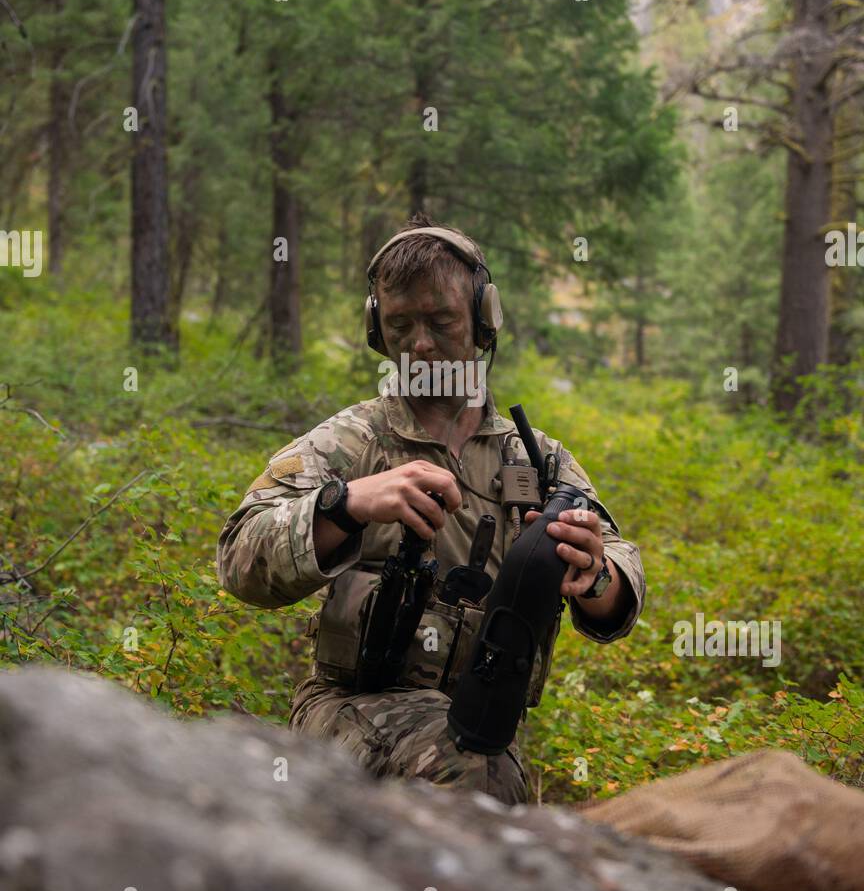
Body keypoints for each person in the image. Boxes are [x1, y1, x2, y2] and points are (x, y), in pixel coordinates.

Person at [217, 213, 646, 804]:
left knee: (478, 763)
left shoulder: (536, 459)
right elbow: (239, 558)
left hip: (479, 719)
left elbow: (620, 576)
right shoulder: (350, 442)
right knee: (472, 769)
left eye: (440, 320)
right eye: (400, 325)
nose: (419, 343)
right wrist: (346, 505)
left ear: (482, 320)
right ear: (377, 329)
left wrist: (595, 572)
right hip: (350, 709)